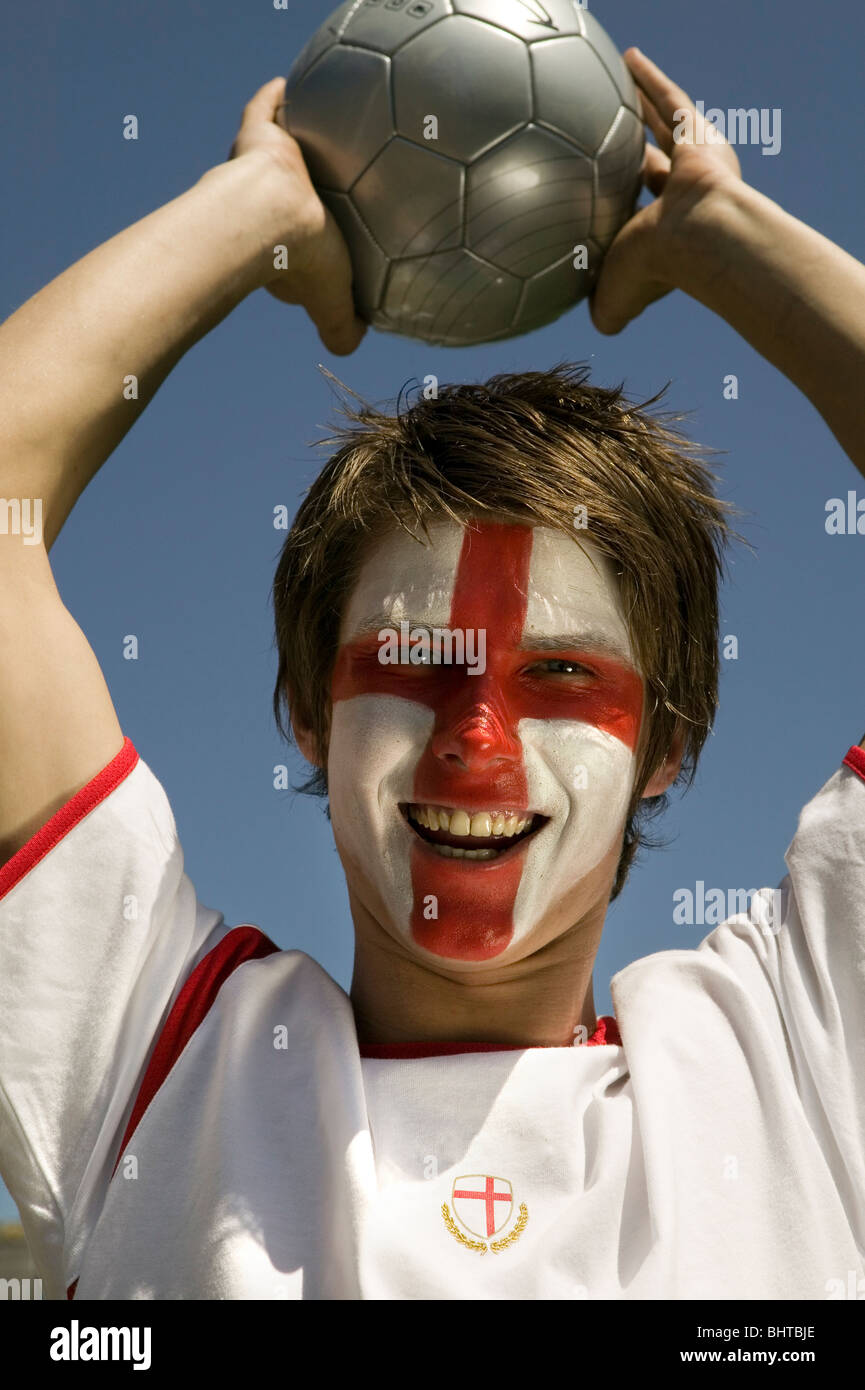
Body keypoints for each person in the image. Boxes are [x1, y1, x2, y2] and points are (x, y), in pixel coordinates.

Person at [1, 49, 863, 1301]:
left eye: (561, 674)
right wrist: (259, 210)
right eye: (413, 662)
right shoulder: (159, 1070)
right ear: (310, 708)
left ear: (668, 745)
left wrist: (724, 238)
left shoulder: (799, 1061)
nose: (478, 740)